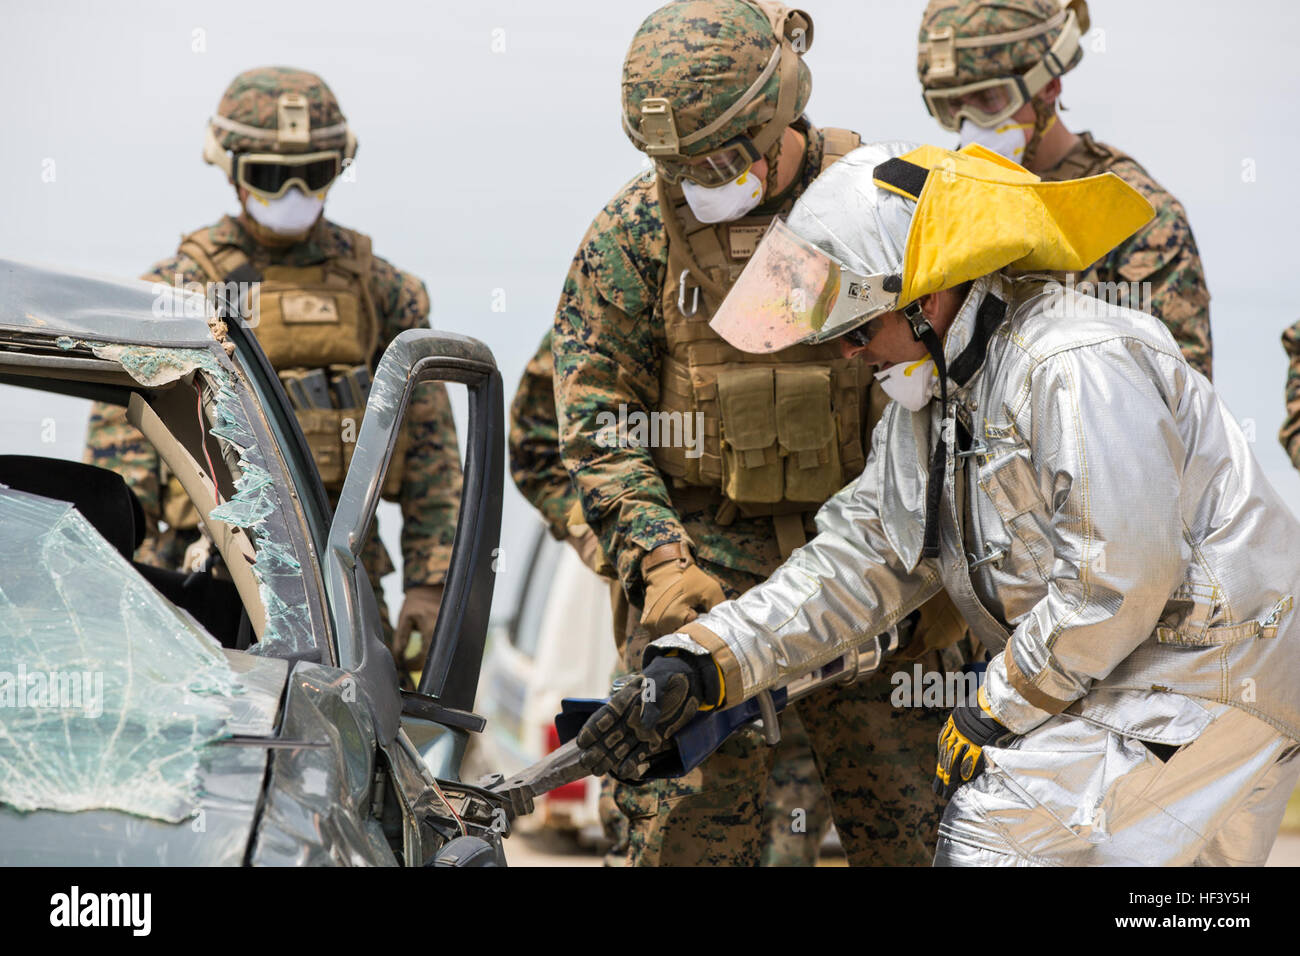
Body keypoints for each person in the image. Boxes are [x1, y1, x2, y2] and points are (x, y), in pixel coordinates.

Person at [577, 140, 1300, 866]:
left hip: (1203, 671)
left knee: (995, 834)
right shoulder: (936, 409)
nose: (852, 357)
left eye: (859, 331)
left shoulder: (1070, 363)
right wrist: (704, 659)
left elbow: (1121, 580)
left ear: (925, 296)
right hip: (1149, 684)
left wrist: (998, 704)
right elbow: (855, 564)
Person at [552, 0, 968, 867]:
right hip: (705, 580)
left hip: (877, 576)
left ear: (782, 110)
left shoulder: (889, 202)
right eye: (677, 163)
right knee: (681, 840)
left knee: (931, 840)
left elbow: (967, 387)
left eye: (719, 156)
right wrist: (659, 566)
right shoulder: (635, 234)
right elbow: (598, 421)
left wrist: (949, 571)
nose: (699, 177)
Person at [83, 67, 462, 678]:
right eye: (268, 174)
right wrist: (118, 587)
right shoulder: (173, 290)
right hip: (199, 577)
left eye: (312, 174)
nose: (291, 192)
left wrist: (430, 583)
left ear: (338, 168)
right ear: (229, 168)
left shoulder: (382, 291)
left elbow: (430, 452)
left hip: (338, 585)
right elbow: (124, 458)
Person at [917, 0, 1213, 378]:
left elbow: (1179, 395)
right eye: (952, 105)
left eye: (990, 100)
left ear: (1049, 87)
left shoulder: (1133, 215)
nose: (971, 123)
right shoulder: (945, 206)